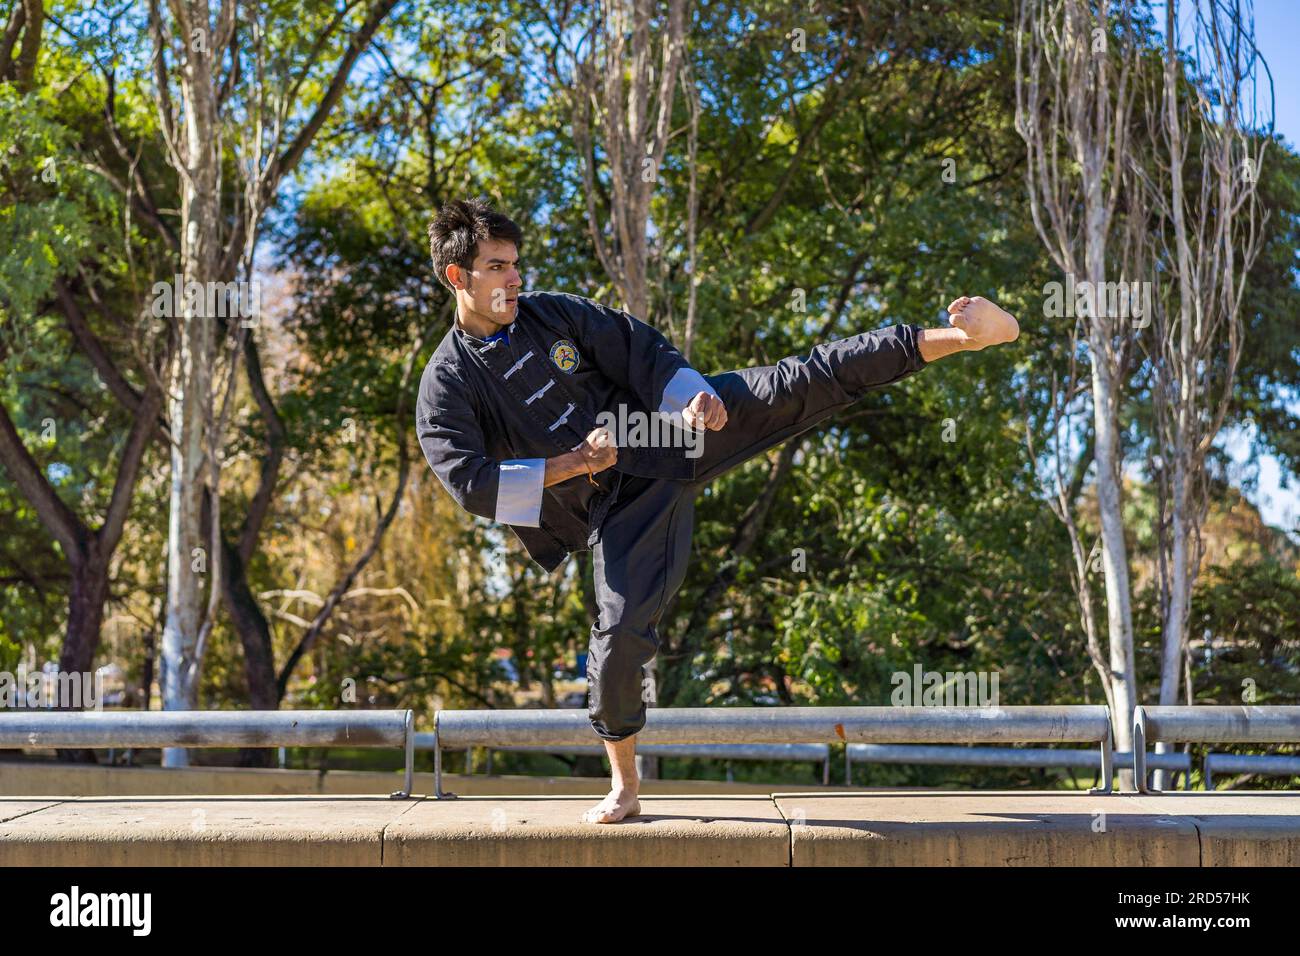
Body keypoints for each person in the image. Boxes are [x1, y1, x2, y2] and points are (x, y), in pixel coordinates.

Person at [414, 198, 1020, 823]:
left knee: (801, 381)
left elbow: (639, 349)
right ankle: (625, 785)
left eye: (515, 264)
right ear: (457, 277)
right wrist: (571, 466)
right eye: (496, 267)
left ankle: (963, 337)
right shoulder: (447, 382)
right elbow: (471, 483)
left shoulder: (555, 315)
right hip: (617, 507)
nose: (514, 278)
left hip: (664, 432)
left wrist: (693, 395)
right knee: (618, 641)